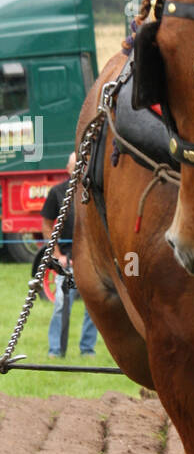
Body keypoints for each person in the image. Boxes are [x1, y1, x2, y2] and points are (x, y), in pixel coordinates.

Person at [41, 153, 98, 360]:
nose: (79, 171)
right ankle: (56, 350)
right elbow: (47, 224)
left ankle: (87, 350)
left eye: (82, 167)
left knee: (94, 308)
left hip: (91, 263)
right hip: (67, 262)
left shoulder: (94, 192)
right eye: (75, 167)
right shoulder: (57, 193)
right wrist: (57, 255)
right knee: (61, 307)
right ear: (67, 168)